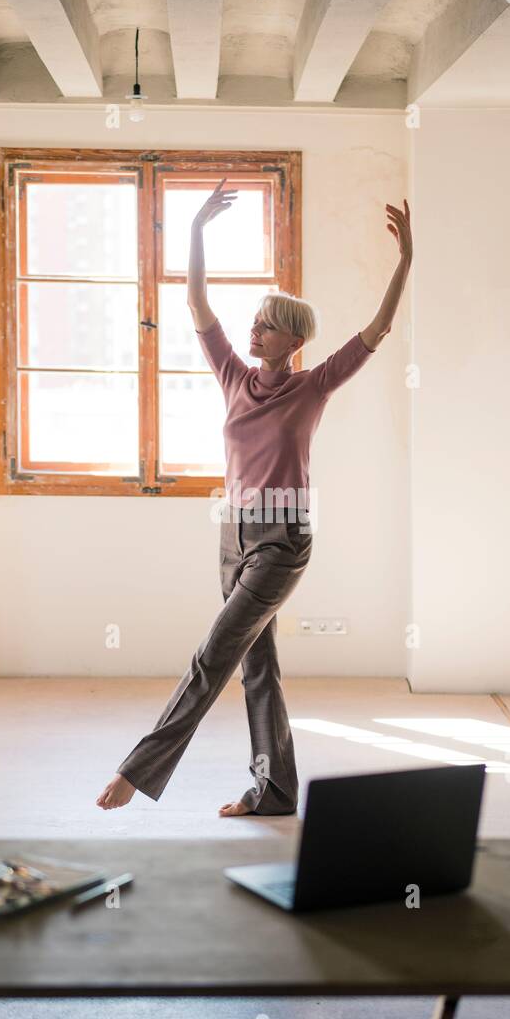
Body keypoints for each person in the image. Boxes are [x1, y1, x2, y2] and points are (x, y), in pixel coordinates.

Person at [97, 180, 413, 817]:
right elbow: (195, 302)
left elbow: (377, 329)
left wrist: (405, 260)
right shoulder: (233, 377)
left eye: (267, 326)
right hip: (231, 535)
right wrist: (195, 230)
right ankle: (274, 791)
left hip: (281, 542)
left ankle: (136, 770)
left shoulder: (315, 385)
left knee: (212, 656)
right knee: (256, 667)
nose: (255, 330)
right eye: (256, 322)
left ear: (292, 339)